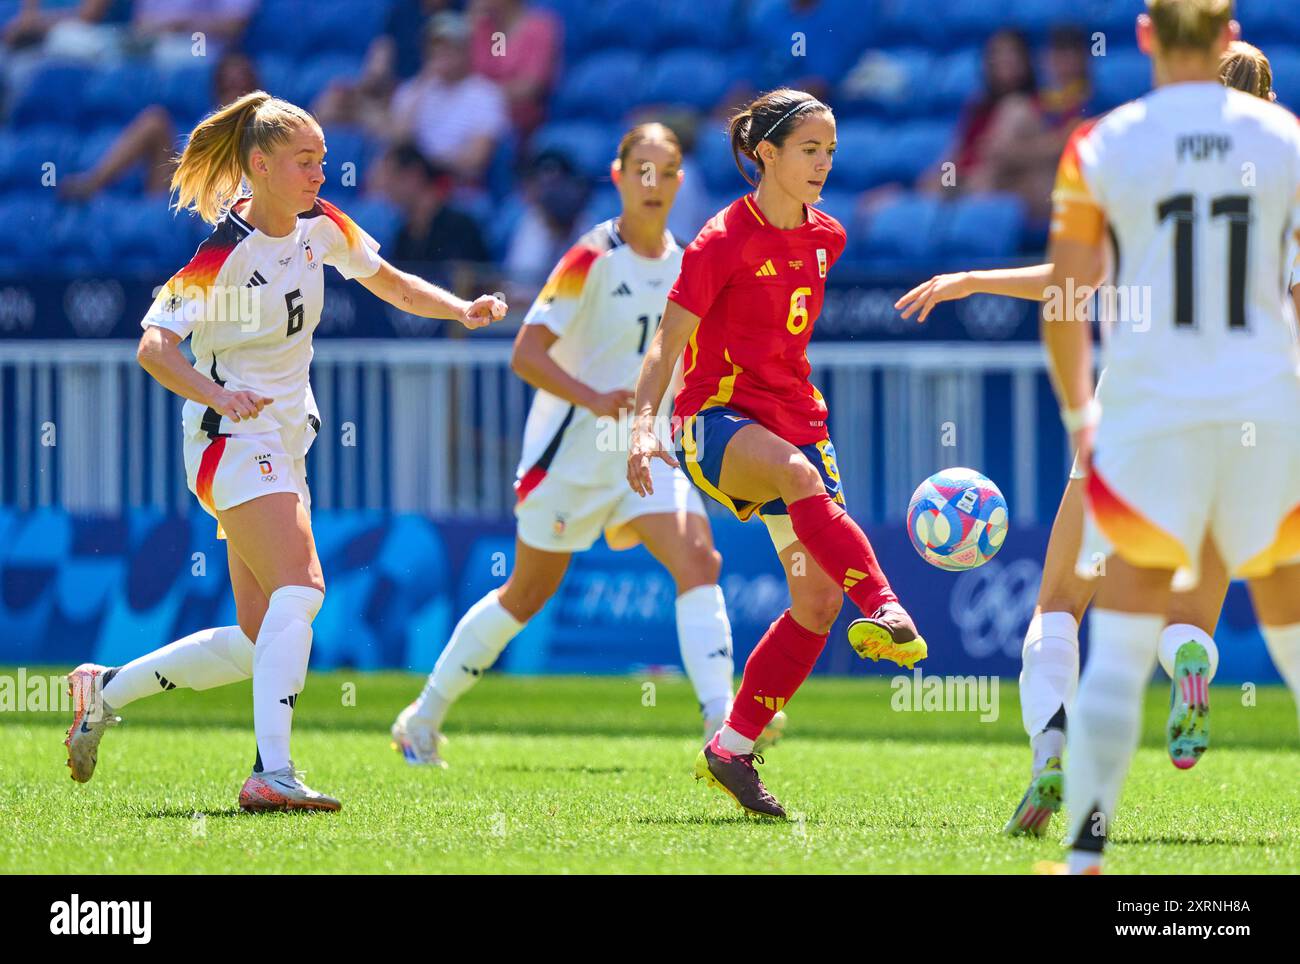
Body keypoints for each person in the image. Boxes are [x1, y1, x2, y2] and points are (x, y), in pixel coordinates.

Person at [894, 36, 1298, 839]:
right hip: (1246, 412)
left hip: (1138, 406)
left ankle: (1053, 749)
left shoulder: (1141, 167)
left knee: (1060, 604)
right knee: (1197, 606)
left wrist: (974, 278)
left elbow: (1077, 278)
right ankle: (1189, 668)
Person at [64, 90, 506, 812]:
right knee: (302, 588)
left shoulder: (321, 225)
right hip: (229, 439)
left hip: (279, 440)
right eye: (306, 162)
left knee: (256, 637)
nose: (320, 175)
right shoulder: (223, 252)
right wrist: (218, 397)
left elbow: (388, 282)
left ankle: (104, 691)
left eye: (323, 161)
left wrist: (460, 309)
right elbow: (154, 347)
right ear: (260, 165)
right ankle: (272, 772)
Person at [391, 123, 771, 766]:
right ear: (619, 179)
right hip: (570, 458)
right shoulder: (590, 257)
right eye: (640, 170)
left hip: (643, 453)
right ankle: (421, 717)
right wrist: (594, 398)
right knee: (527, 594)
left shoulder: (688, 264)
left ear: (681, 182)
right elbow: (526, 352)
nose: (653, 184)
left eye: (667, 171)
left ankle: (722, 723)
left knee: (698, 561)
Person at [1041, 0, 1300, 873]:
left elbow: (1067, 297)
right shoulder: (1288, 142)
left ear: (1147, 36)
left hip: (1151, 413)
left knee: (1119, 640)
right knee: (1291, 630)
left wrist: (1084, 416)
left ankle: (1084, 857)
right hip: (1265, 410)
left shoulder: (1104, 143)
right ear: (1229, 37)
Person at [627, 88, 924, 819]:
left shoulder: (829, 236)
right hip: (716, 422)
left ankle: (730, 748)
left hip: (799, 420)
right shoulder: (720, 239)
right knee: (796, 479)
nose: (823, 164)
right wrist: (642, 425)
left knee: (816, 604)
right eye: (809, 150)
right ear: (767, 153)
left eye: (830, 152)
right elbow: (667, 340)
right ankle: (887, 608)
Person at [61, 49, 260, 202]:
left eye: (241, 86)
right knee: (155, 121)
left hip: (219, 199)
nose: (234, 92)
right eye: (227, 85)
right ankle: (92, 184)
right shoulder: (210, 116)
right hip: (177, 192)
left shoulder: (266, 122)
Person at [388, 11, 510, 186]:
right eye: (435, 47)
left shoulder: (486, 94)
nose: (441, 53)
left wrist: (428, 164)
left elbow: (476, 160)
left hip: (459, 187)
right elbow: (398, 142)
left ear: (466, 50)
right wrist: (422, 86)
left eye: (449, 46)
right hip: (413, 185)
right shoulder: (412, 90)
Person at [382, 143, 490, 266]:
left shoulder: (460, 228)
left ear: (415, 175)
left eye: (392, 177)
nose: (387, 186)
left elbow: (471, 279)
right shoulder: (402, 237)